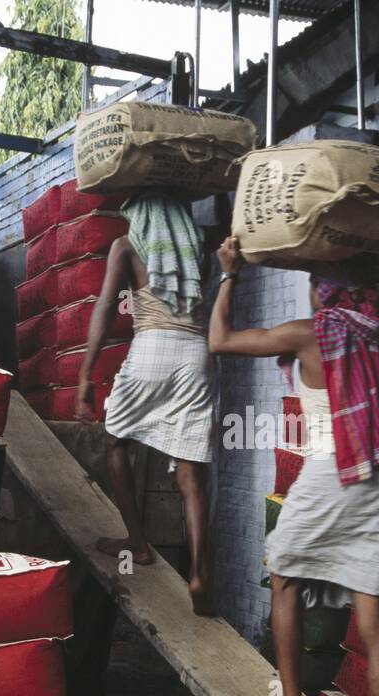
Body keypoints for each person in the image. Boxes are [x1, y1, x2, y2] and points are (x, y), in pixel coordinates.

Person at [209, 237, 379, 696]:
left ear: (324, 289)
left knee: (283, 582)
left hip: (329, 473)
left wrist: (229, 274)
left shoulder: (309, 333)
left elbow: (220, 340)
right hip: (377, 480)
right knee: (373, 621)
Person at [75, 193, 215, 615]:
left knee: (116, 441)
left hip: (152, 348)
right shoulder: (197, 244)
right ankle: (200, 571)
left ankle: (138, 544)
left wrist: (85, 376)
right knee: (190, 468)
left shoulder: (127, 244)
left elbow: (104, 307)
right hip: (195, 352)